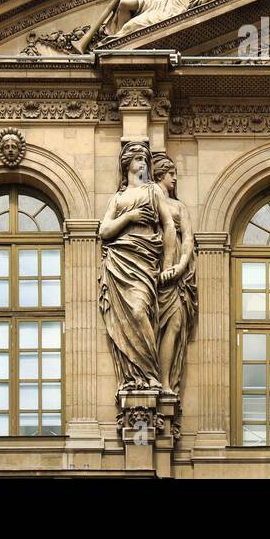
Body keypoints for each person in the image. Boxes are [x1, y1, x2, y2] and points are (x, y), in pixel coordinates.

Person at [98, 141, 177, 392]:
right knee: (125, 317)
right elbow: (104, 230)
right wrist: (129, 217)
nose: (142, 163)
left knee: (140, 310)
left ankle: (149, 372)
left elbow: (169, 226)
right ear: (127, 164)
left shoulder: (153, 190)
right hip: (120, 260)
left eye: (145, 159)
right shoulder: (118, 198)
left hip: (145, 261)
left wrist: (167, 264)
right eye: (138, 159)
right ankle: (136, 376)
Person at [152, 154, 197, 397]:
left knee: (176, 323)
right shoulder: (147, 200)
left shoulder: (179, 207)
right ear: (160, 175)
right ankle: (152, 381)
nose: (176, 178)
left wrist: (179, 267)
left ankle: (165, 381)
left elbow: (188, 238)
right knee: (151, 326)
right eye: (171, 174)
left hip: (176, 271)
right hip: (153, 265)